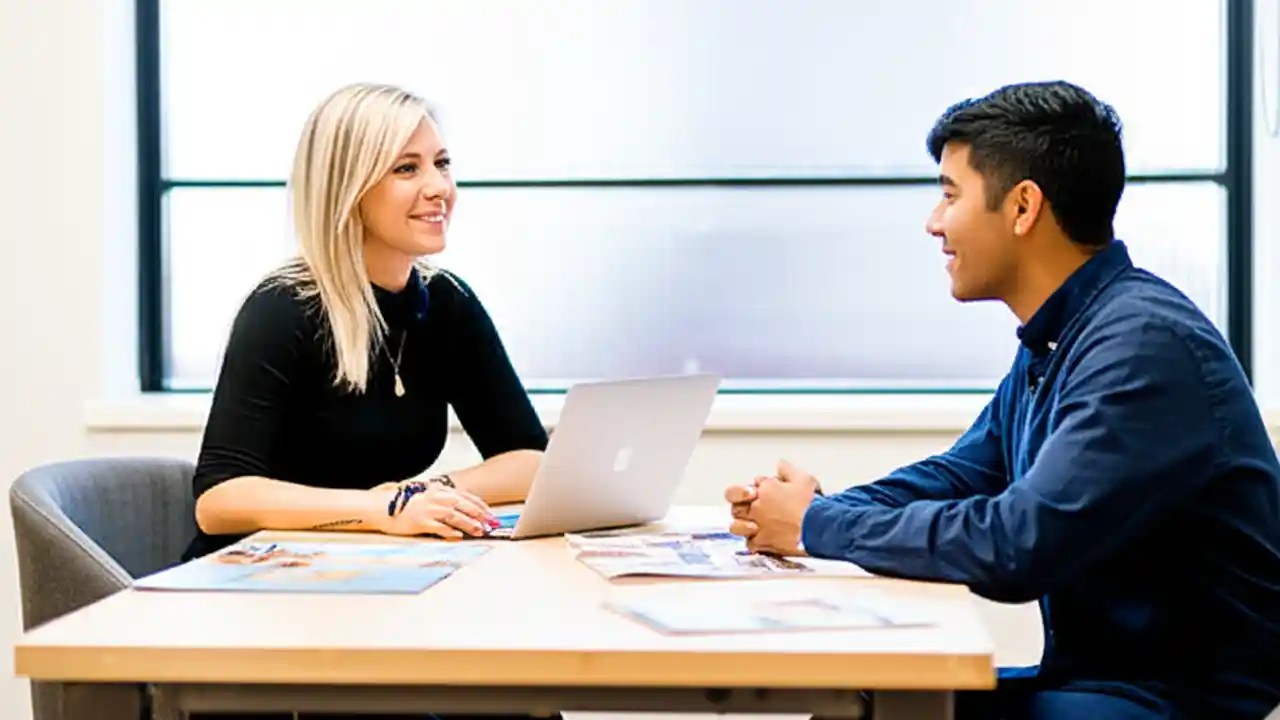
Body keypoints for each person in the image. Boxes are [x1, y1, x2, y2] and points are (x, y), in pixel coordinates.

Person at [725, 81, 1280, 719]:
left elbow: (1017, 546)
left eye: (950, 194)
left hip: (1170, 703)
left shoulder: (1140, 346)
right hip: (1101, 680)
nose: (934, 223)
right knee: (859, 702)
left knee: (875, 709)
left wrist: (817, 526)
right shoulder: (1066, 334)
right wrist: (813, 512)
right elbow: (964, 474)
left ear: (1022, 207)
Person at [184, 82, 552, 720]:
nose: (438, 187)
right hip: (268, 606)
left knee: (521, 699)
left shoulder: (447, 305)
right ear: (349, 188)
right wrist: (380, 507)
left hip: (382, 583)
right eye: (406, 169)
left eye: (441, 163)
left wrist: (422, 497)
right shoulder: (283, 309)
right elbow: (221, 501)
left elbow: (528, 458)